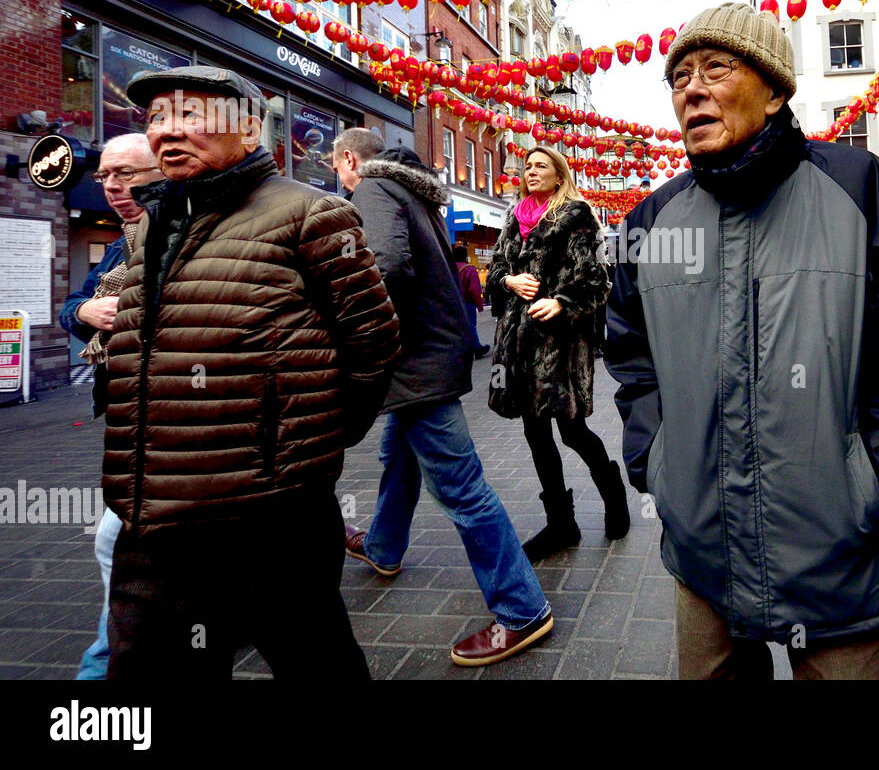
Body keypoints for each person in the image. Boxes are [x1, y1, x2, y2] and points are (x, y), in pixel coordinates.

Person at [604, 3, 879, 680]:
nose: (691, 88)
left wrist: (878, 482)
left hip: (843, 561)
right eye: (679, 76)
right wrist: (658, 460)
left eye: (716, 68)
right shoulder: (653, 223)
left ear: (775, 88)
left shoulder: (868, 192)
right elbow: (630, 355)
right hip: (703, 558)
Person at [103, 66, 401, 680]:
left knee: (314, 660)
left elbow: (373, 340)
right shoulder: (150, 225)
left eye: (189, 115)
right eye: (157, 118)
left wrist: (300, 444)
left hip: (270, 518)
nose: (167, 132)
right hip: (152, 516)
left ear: (247, 127)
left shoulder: (310, 214)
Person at [332, 129, 554, 667]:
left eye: (336, 168)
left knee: (462, 488)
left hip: (417, 364)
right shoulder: (413, 192)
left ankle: (523, 609)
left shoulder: (371, 190)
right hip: (429, 358)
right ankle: (384, 547)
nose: (337, 177)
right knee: (398, 457)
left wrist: (337, 321)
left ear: (347, 160)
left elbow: (384, 266)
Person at [484, 147, 628, 562]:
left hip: (559, 345)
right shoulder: (514, 218)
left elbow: (597, 280)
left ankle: (614, 497)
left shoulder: (576, 215)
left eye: (540, 165)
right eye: (527, 166)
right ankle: (561, 523)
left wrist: (562, 302)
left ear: (558, 173)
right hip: (518, 345)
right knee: (534, 431)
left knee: (573, 431)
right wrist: (509, 281)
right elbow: (495, 269)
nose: (531, 171)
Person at [58, 133, 163, 681]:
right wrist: (87, 313)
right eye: (105, 177)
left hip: (177, 414)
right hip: (127, 408)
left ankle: (103, 668)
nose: (114, 188)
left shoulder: (178, 231)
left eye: (127, 175)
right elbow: (71, 306)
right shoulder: (122, 246)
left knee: (116, 541)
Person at [452, 244, 492, 359]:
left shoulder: (449, 268)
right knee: (471, 326)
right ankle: (477, 347)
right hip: (467, 303)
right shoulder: (469, 269)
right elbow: (474, 290)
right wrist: (479, 305)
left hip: (452, 303)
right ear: (466, 256)